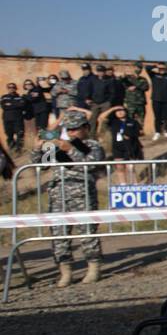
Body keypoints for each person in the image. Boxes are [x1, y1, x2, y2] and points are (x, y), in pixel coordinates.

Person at [35, 109, 105, 287]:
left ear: (85, 128)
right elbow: (41, 166)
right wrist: (38, 149)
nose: (72, 132)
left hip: (83, 194)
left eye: (75, 129)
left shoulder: (91, 145)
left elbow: (92, 164)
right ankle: (65, 272)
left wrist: (72, 150)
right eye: (69, 129)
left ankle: (93, 269)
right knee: (59, 236)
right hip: (58, 196)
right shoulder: (57, 146)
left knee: (87, 233)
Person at [99, 105, 144, 182]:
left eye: (121, 110)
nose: (119, 112)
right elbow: (101, 117)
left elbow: (141, 132)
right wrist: (113, 108)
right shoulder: (113, 121)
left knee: (130, 168)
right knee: (120, 167)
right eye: (117, 111)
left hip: (130, 147)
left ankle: (135, 185)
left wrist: (131, 135)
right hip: (117, 148)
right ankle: (123, 185)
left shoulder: (132, 121)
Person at [148, 63, 167, 140]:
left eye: (164, 68)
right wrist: (156, 66)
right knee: (157, 117)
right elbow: (147, 68)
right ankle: (157, 132)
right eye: (161, 68)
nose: (162, 70)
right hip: (156, 99)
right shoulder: (154, 75)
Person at [2, 83, 28, 153]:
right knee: (9, 134)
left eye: (13, 87)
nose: (11, 88)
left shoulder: (20, 97)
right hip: (7, 119)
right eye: (9, 87)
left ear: (16, 88)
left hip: (18, 119)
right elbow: (4, 106)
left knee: (20, 134)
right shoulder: (4, 97)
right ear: (7, 88)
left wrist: (10, 104)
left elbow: (22, 105)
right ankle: (11, 149)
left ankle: (19, 149)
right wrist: (16, 104)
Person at [122, 62, 150, 129]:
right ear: (133, 68)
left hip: (140, 103)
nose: (138, 69)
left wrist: (136, 86)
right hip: (130, 102)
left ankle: (139, 134)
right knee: (129, 119)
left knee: (141, 120)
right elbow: (123, 84)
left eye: (140, 68)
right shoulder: (127, 78)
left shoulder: (143, 79)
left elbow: (146, 88)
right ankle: (129, 132)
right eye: (137, 67)